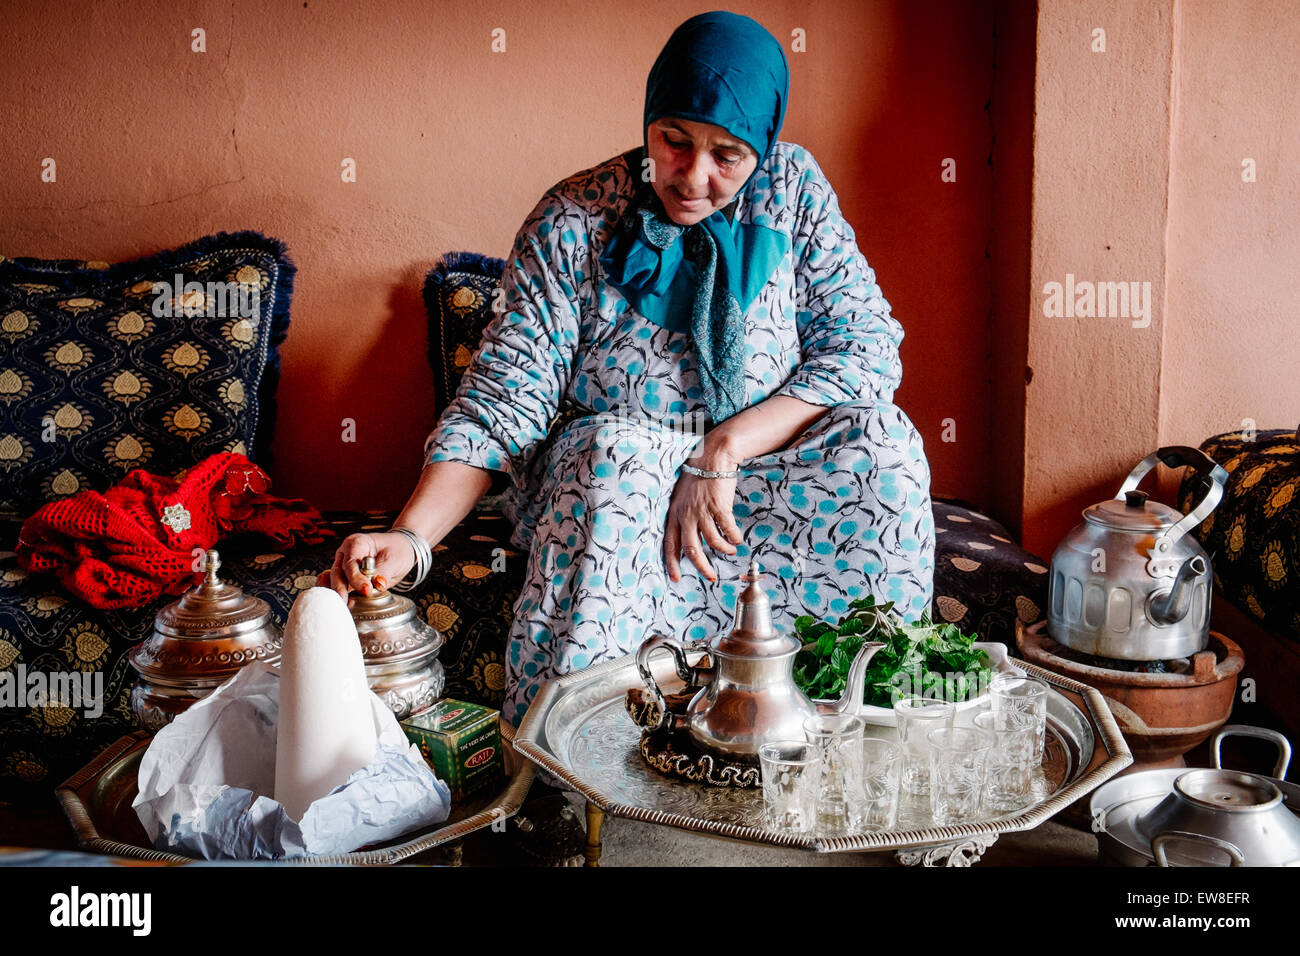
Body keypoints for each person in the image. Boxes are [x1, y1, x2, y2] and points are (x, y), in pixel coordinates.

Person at [322, 11, 935, 731]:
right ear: (648, 118)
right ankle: (591, 763)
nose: (694, 177)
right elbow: (501, 403)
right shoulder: (573, 219)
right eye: (674, 141)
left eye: (728, 155)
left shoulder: (793, 192)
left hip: (757, 470)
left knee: (882, 440)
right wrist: (412, 539)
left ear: (763, 148)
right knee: (614, 453)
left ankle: (845, 730)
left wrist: (724, 449)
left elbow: (863, 347)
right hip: (622, 492)